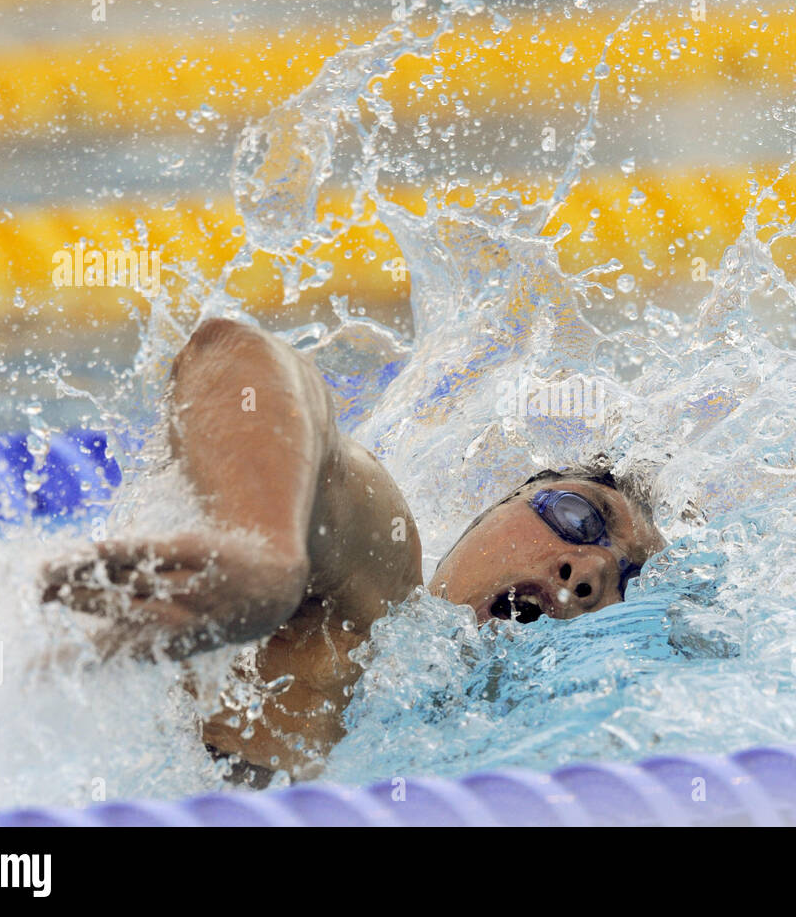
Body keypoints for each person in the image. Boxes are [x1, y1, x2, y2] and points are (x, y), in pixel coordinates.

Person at [42, 318, 666, 785]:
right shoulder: (374, 597)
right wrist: (265, 555)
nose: (587, 571)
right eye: (578, 517)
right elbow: (233, 358)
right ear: (495, 509)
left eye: (626, 583)